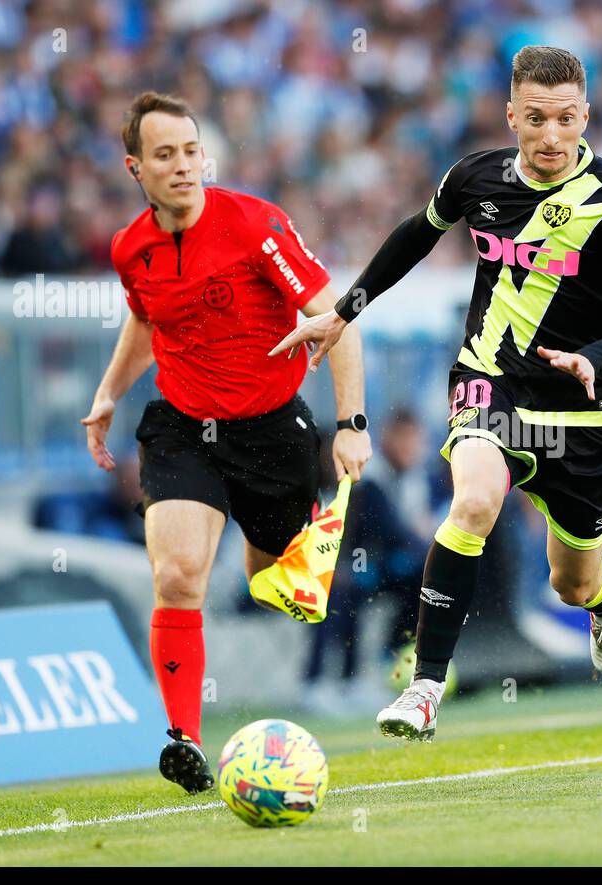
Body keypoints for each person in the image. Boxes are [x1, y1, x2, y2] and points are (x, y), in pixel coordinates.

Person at [272, 46, 602, 740]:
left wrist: (594, 357)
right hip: (489, 386)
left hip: (583, 417)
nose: (552, 135)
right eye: (538, 118)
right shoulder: (474, 178)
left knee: (571, 584)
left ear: (586, 117)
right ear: (512, 115)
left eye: (567, 119)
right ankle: (425, 687)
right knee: (475, 500)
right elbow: (414, 238)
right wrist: (345, 309)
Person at [80, 92, 372, 794]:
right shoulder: (130, 248)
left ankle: (284, 572)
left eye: (191, 151)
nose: (183, 167)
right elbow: (146, 323)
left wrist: (352, 425)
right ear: (135, 168)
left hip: (273, 432)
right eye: (165, 156)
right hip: (183, 428)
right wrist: (109, 393)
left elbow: (338, 320)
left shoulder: (255, 225)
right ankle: (182, 736)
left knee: (276, 588)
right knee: (178, 576)